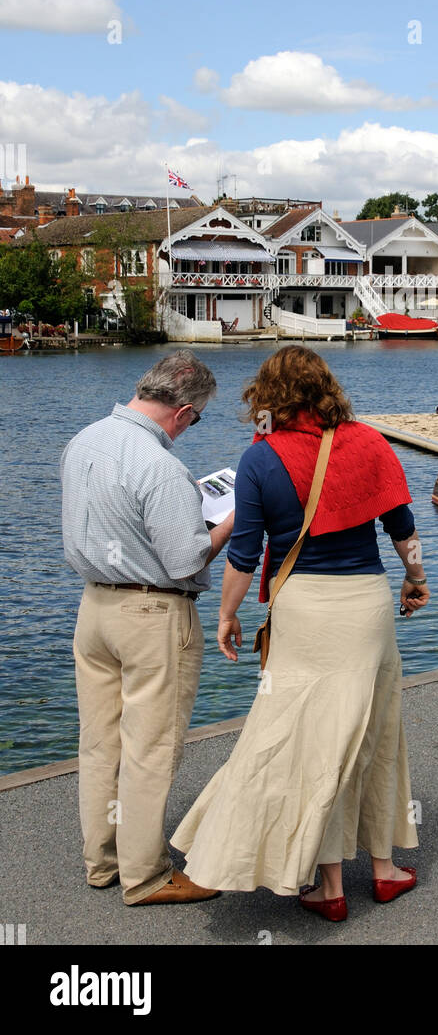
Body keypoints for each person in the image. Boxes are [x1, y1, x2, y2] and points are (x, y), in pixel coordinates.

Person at [171, 345, 429, 923]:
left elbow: (244, 553)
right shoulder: (369, 442)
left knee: (308, 740)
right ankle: (384, 870)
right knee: (374, 732)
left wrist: (226, 615)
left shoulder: (261, 459)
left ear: (266, 396)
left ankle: (328, 885)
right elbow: (404, 529)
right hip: (367, 606)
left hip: (304, 611)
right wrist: (416, 579)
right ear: (327, 389)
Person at [61, 350, 234, 906]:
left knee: (99, 743)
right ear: (183, 412)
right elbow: (186, 561)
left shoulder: (83, 439)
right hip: (151, 615)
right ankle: (147, 875)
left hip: (93, 609)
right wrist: (233, 518)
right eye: (198, 418)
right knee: (150, 748)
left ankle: (103, 861)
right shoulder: (160, 466)